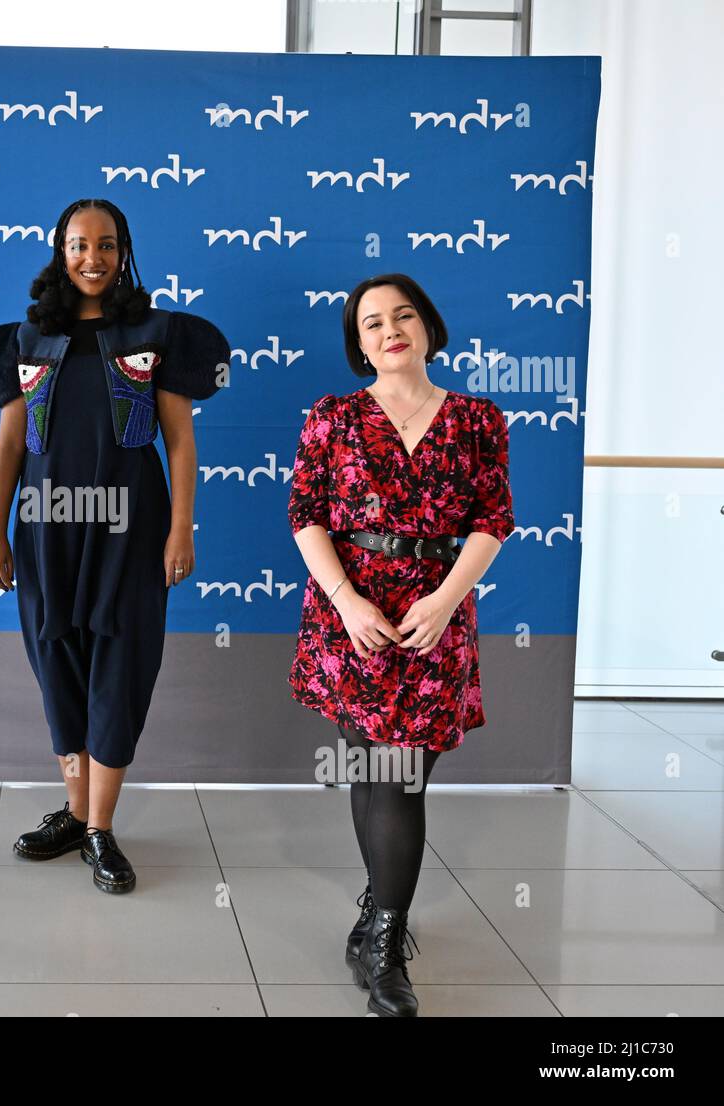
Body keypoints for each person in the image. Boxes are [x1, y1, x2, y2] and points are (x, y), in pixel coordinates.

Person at [0, 198, 229, 893]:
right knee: (60, 669)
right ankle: (77, 814)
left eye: (106, 245)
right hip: (45, 531)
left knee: (120, 665)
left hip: (131, 531)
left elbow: (180, 440)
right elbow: (12, 444)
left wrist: (179, 527)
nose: (92, 258)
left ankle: (103, 829)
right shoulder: (29, 340)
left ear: (124, 253)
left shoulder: (151, 333)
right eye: (79, 245)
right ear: (60, 251)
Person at [287, 272, 514, 1016]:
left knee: (403, 774)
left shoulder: (478, 419)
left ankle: (379, 915)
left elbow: (491, 520)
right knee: (377, 769)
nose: (391, 329)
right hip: (352, 618)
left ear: (428, 326)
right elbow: (307, 516)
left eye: (404, 315)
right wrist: (346, 600)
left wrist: (447, 601)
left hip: (433, 619)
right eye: (372, 323)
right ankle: (386, 937)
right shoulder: (333, 416)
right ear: (359, 345)